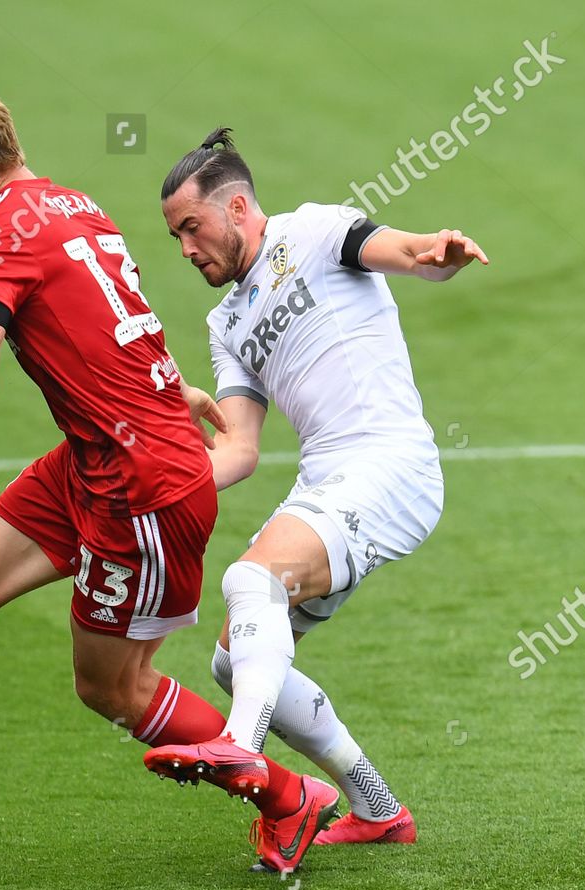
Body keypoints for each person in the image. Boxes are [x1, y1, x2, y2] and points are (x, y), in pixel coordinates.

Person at [0, 80, 337, 874]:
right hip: (96, 455)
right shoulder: (72, 204)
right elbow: (119, 311)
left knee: (114, 688)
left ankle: (288, 797)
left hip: (139, 486)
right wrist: (166, 384)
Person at [146, 128, 488, 846]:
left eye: (191, 228)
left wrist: (437, 253)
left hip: (390, 465)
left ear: (237, 207)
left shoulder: (315, 230)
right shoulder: (225, 322)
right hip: (329, 480)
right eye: (176, 235)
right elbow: (237, 449)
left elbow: (404, 251)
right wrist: (153, 482)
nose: (185, 248)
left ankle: (241, 743)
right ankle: (378, 809)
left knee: (250, 581)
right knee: (232, 655)